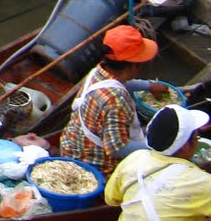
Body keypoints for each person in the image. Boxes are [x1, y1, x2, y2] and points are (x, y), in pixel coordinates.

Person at [61, 25, 162, 173]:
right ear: (134, 66)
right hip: (92, 164)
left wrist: (149, 86)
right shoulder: (116, 100)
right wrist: (157, 147)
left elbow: (122, 83)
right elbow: (117, 149)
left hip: (71, 145)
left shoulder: (99, 71)